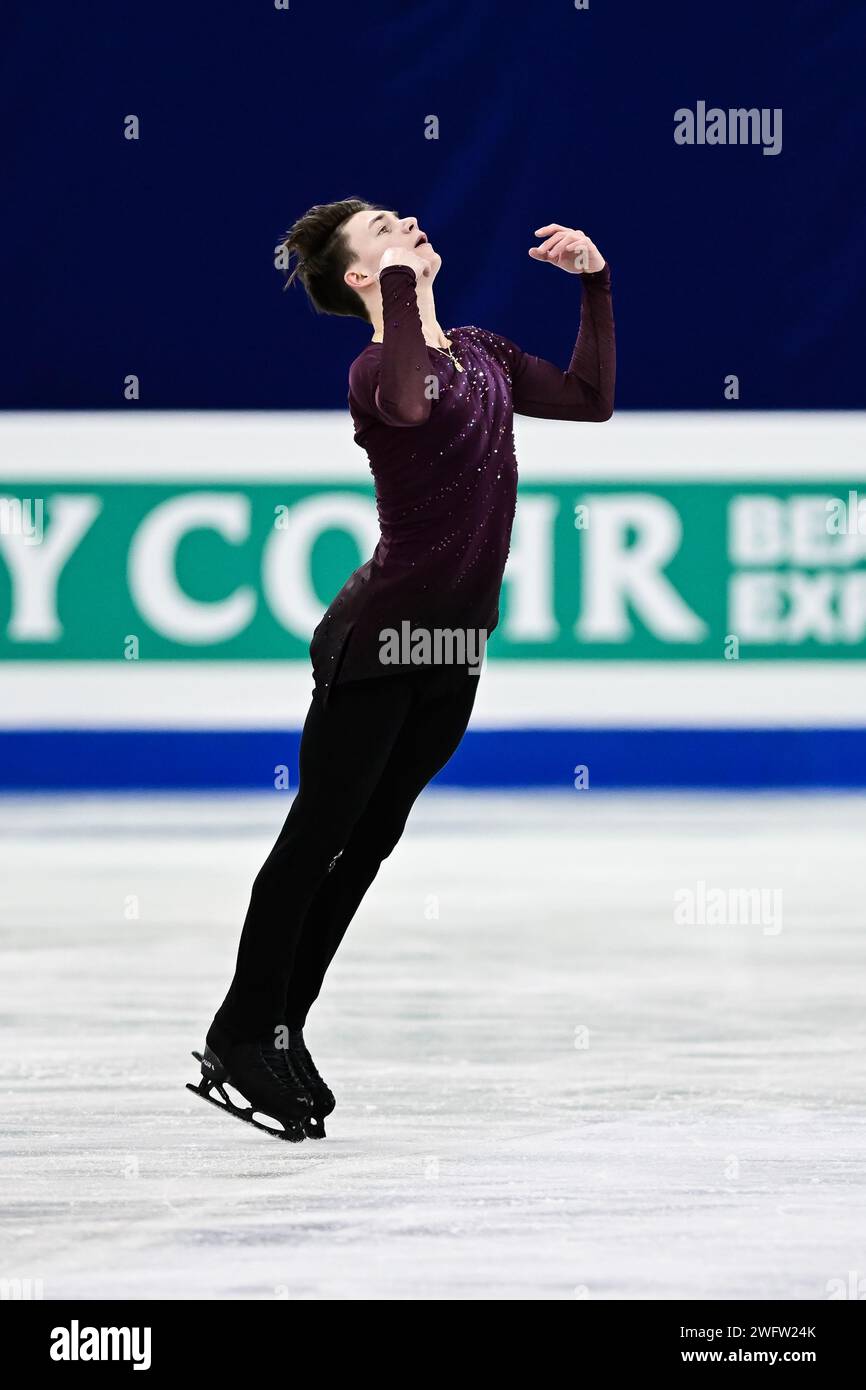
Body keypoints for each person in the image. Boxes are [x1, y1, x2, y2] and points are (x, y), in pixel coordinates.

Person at [186, 197, 616, 1142]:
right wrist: (399, 289)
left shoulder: (484, 352)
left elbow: (591, 401)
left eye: (400, 220)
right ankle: (239, 1025)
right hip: (377, 644)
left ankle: (278, 1024)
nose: (407, 225)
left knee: (370, 841)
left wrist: (593, 285)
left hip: (456, 647)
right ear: (356, 277)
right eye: (382, 229)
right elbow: (410, 404)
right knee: (319, 834)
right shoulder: (378, 366)